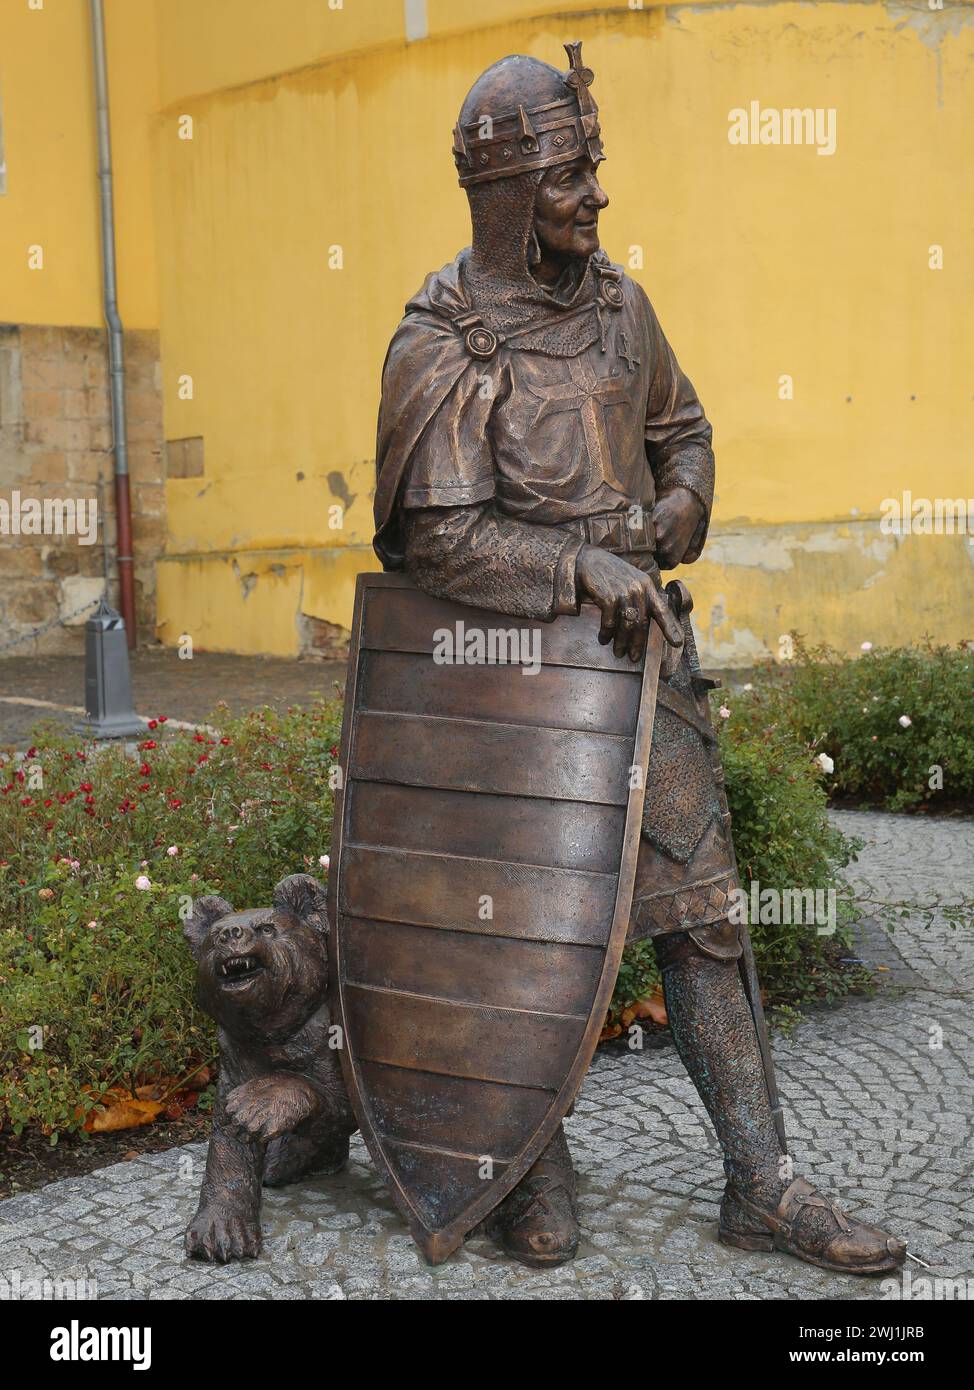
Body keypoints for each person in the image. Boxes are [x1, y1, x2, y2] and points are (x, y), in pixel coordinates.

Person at [373, 42, 906, 1276]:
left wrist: (679, 510)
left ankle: (761, 1182)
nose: (594, 195)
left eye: (593, 167)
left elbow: (684, 429)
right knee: (523, 937)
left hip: (641, 667)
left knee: (706, 916)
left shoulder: (622, 309)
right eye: (567, 175)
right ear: (505, 190)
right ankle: (522, 1165)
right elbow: (435, 536)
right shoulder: (439, 341)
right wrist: (575, 567)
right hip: (506, 691)